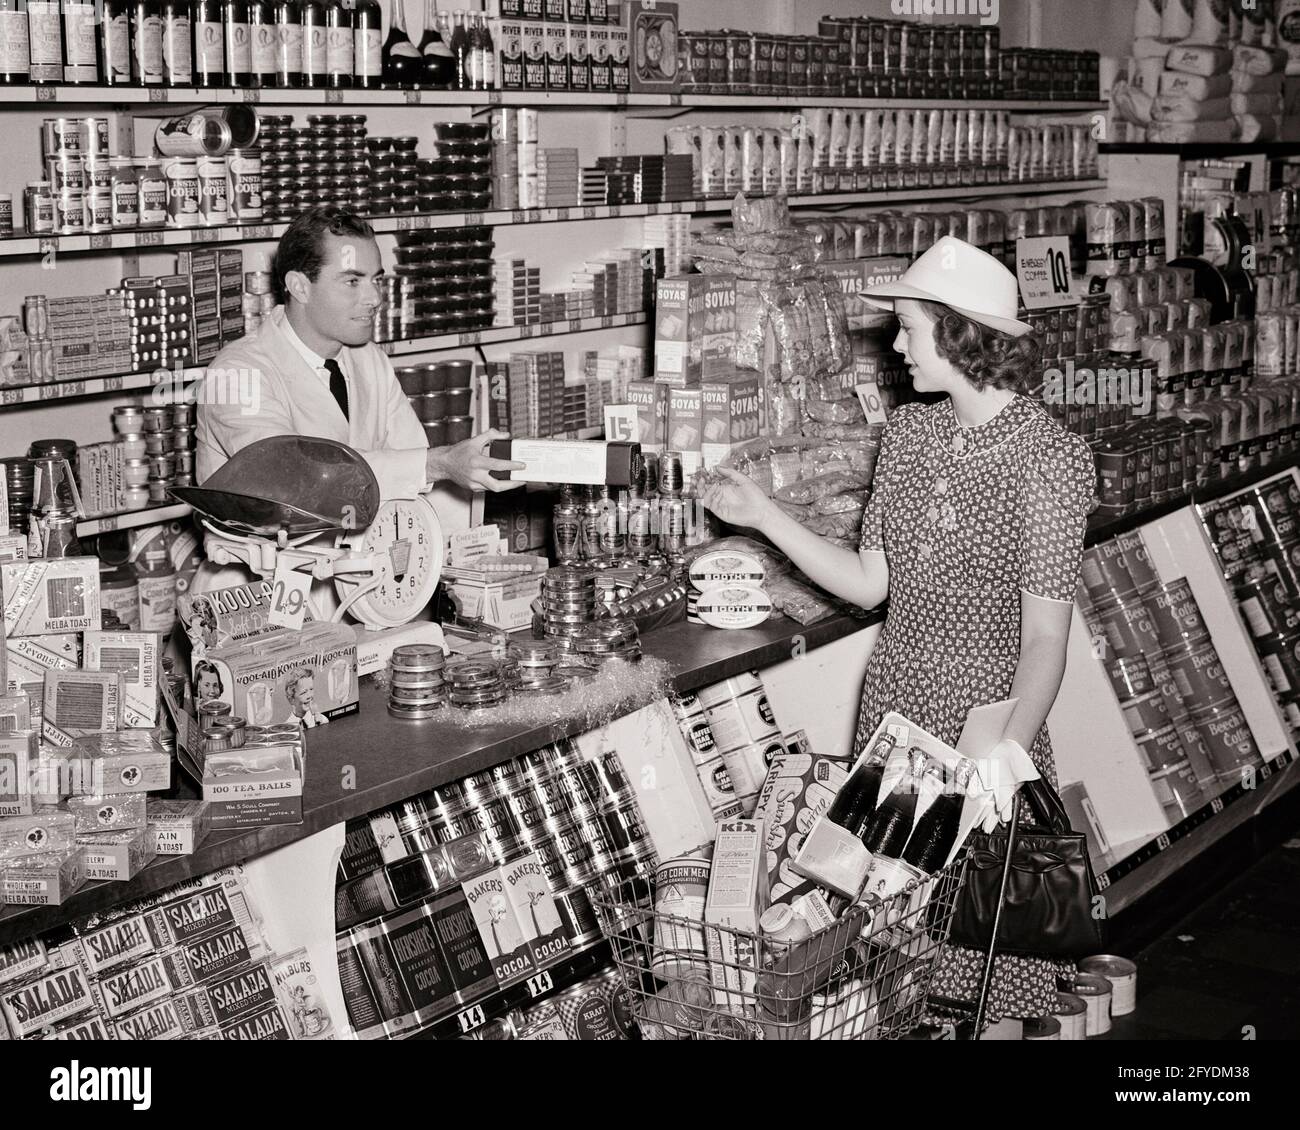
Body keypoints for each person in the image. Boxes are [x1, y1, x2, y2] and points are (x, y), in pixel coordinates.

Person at [700, 236, 1096, 1027]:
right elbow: (870, 584)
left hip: (985, 730)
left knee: (985, 962)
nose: (897, 344)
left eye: (910, 327)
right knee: (898, 963)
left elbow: (1046, 641)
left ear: (957, 333)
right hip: (895, 724)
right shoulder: (910, 436)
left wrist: (1002, 766)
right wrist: (764, 516)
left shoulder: (1049, 457)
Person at [195, 206, 524, 500]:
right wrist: (439, 463)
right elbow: (293, 477)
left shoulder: (368, 358)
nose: (375, 299)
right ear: (299, 286)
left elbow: (412, 470)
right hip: (262, 567)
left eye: (376, 280)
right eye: (352, 282)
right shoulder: (237, 374)